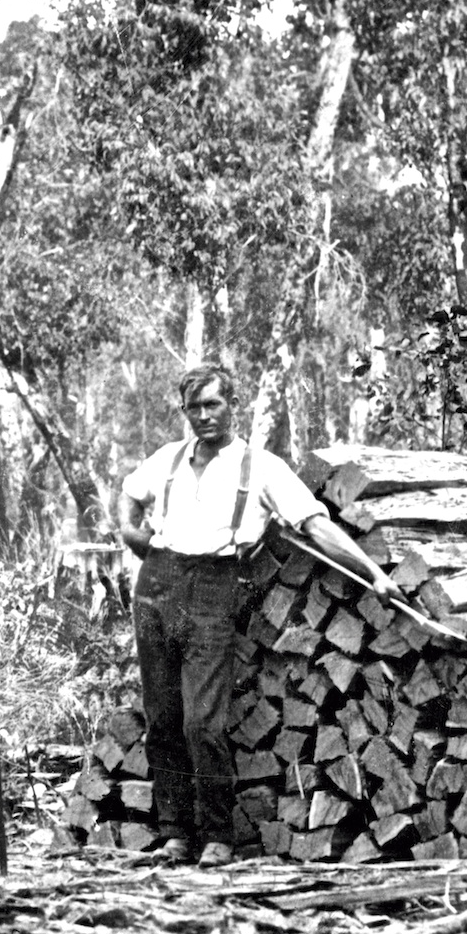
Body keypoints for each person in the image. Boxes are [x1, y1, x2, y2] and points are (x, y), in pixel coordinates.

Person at [118, 362, 401, 868]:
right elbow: (129, 494)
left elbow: (314, 525)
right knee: (162, 720)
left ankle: (217, 837)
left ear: (233, 404)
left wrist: (373, 573)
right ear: (184, 411)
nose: (204, 416)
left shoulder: (261, 467)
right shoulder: (167, 458)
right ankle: (175, 834)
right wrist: (129, 533)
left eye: (213, 404)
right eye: (194, 407)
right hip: (156, 585)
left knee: (203, 723)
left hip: (214, 587)